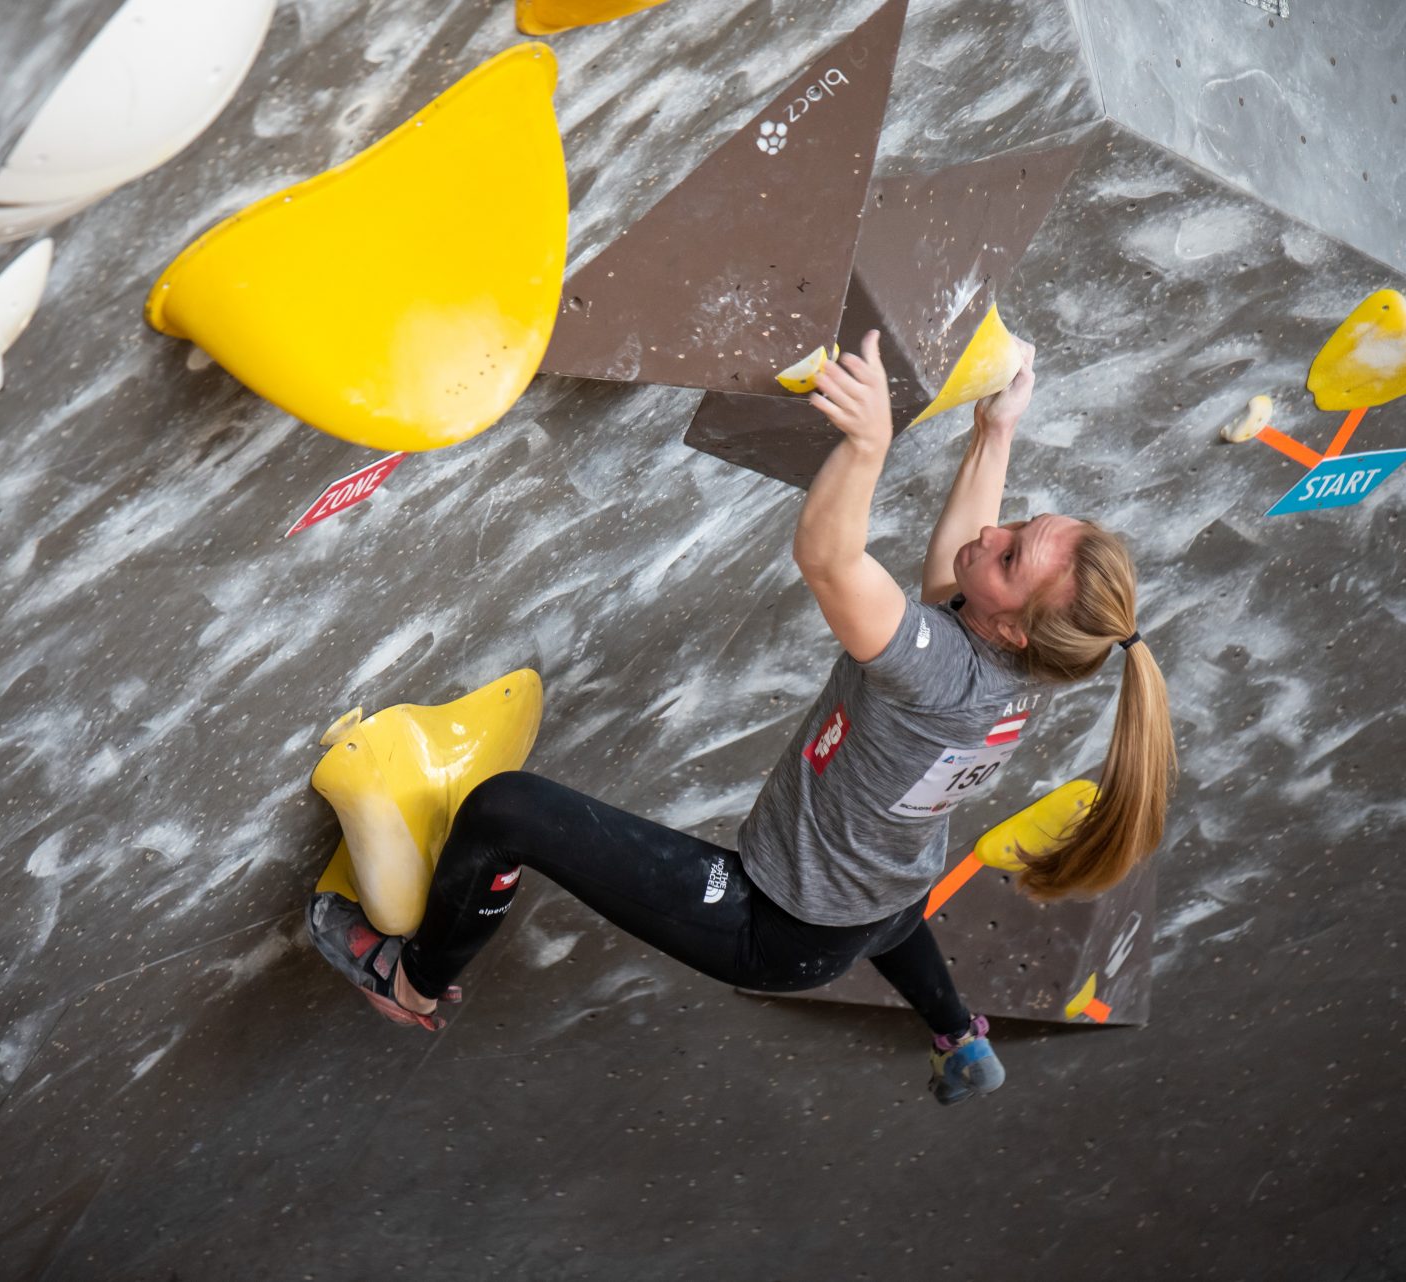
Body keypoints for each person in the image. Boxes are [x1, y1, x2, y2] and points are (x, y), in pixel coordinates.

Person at [309, 329, 1176, 1104]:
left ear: (1015, 624)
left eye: (1013, 555)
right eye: (1019, 523)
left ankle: (410, 983)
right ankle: (958, 1035)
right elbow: (962, 568)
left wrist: (868, 444)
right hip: (888, 883)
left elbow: (830, 559)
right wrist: (996, 430)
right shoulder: (1029, 663)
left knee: (506, 812)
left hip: (779, 925)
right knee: (892, 920)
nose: (995, 534)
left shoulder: (944, 670)